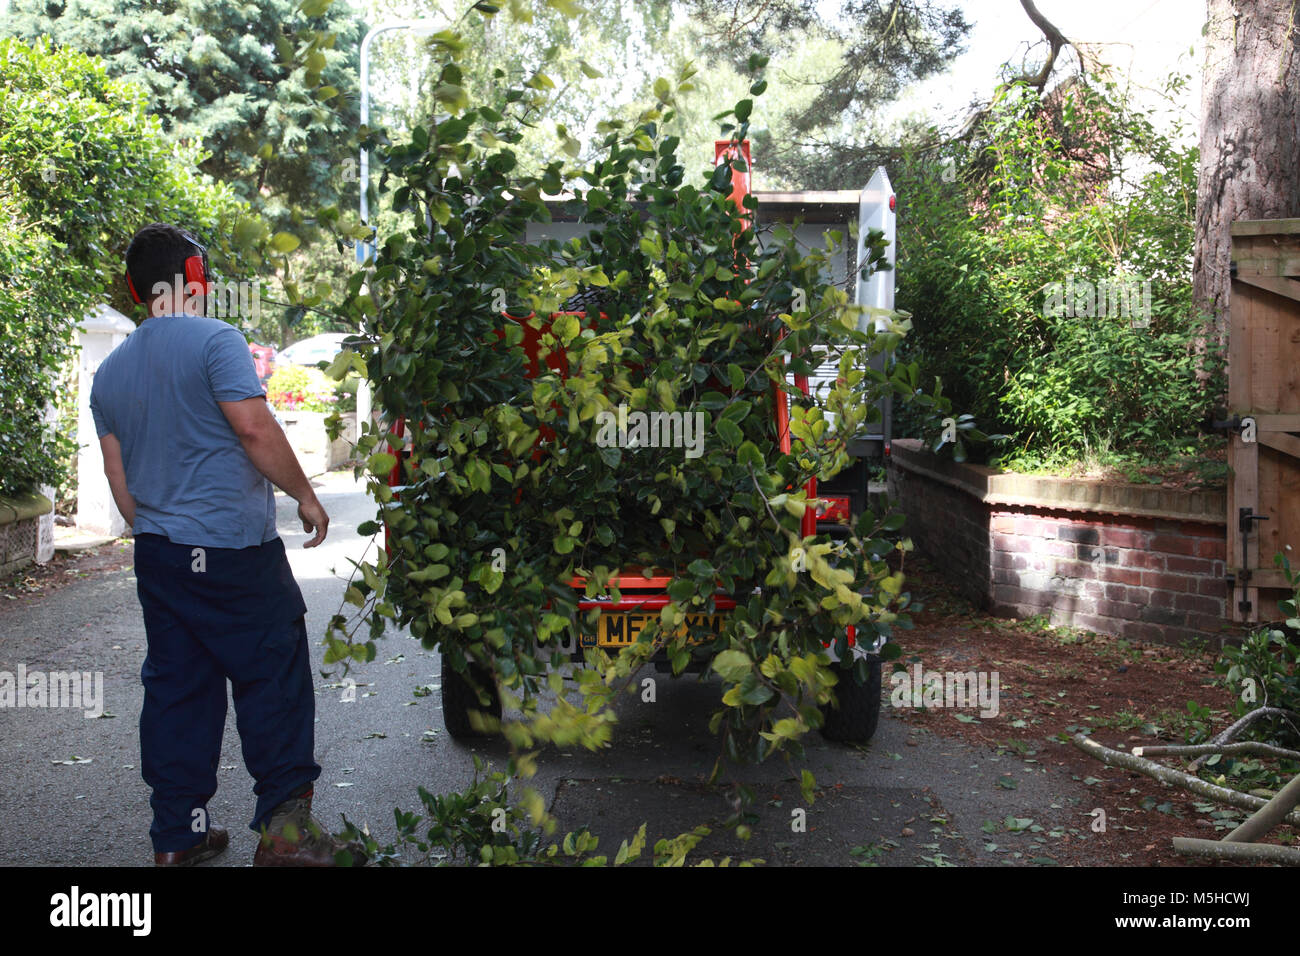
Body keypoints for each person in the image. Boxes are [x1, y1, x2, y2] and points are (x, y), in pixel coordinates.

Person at [91, 222, 361, 866]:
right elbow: (253, 430)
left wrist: (159, 524)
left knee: (180, 688)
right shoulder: (217, 340)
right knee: (273, 677)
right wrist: (306, 494)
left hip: (159, 554)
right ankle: (286, 837)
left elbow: (118, 484)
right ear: (193, 278)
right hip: (234, 554)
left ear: (135, 288)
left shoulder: (110, 372)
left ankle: (178, 838)